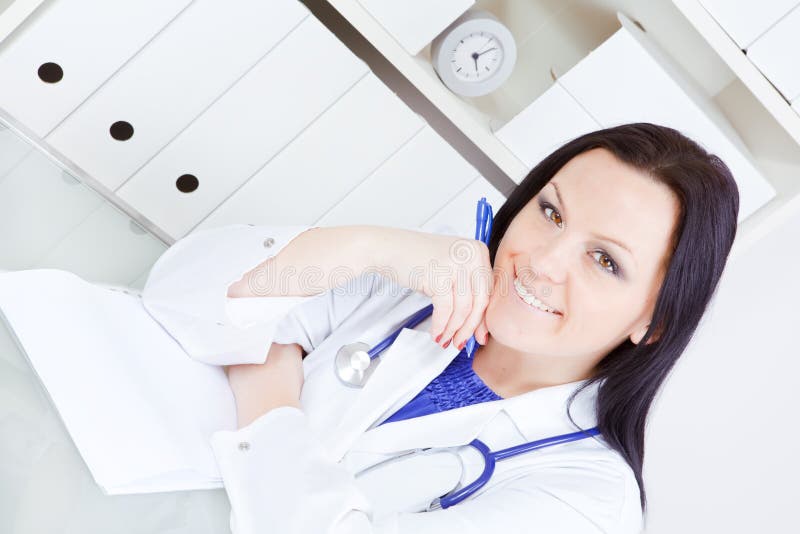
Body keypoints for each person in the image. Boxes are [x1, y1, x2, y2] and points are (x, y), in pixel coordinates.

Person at [140, 122, 739, 533]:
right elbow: (183, 298)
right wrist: (366, 245)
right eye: (551, 212)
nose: (543, 261)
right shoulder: (415, 288)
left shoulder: (586, 502)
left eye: (605, 261)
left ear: (654, 323)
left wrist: (269, 397)